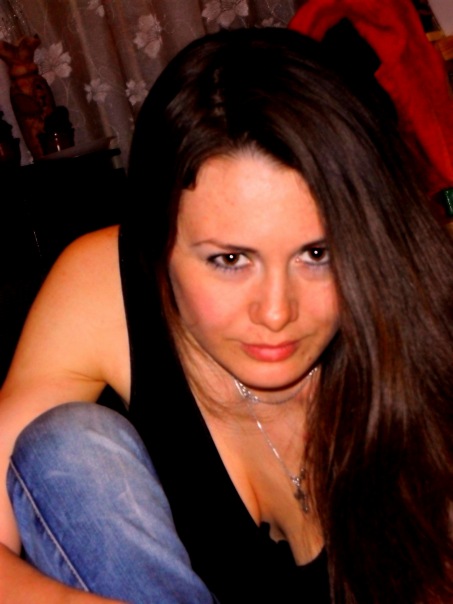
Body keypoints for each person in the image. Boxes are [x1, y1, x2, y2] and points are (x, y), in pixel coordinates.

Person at [0, 26, 452, 604]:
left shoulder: (419, 323)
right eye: (230, 260)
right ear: (158, 240)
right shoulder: (104, 285)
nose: (276, 312)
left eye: (318, 254)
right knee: (65, 446)